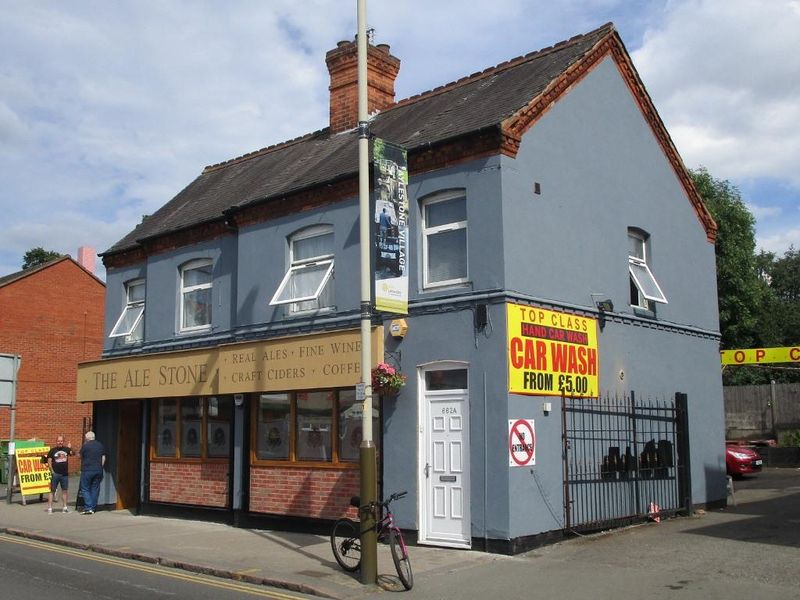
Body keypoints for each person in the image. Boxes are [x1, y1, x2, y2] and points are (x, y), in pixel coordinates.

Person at [78, 431, 106, 515]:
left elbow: (79, 456)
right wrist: (100, 466)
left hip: (87, 469)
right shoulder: (100, 445)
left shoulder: (85, 446)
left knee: (85, 488)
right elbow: (103, 458)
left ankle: (88, 507)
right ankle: (93, 507)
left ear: (87, 438)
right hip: (98, 469)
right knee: (95, 488)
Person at [46, 434, 73, 514]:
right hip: (55, 474)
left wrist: (70, 448)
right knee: (52, 491)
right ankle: (50, 509)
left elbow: (73, 453)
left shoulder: (66, 449)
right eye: (58, 441)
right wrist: (52, 471)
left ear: (63, 442)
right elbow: (49, 461)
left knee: (64, 490)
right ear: (56, 442)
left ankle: (65, 508)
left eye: (61, 441)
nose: (60, 442)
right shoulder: (52, 450)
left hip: (64, 474)